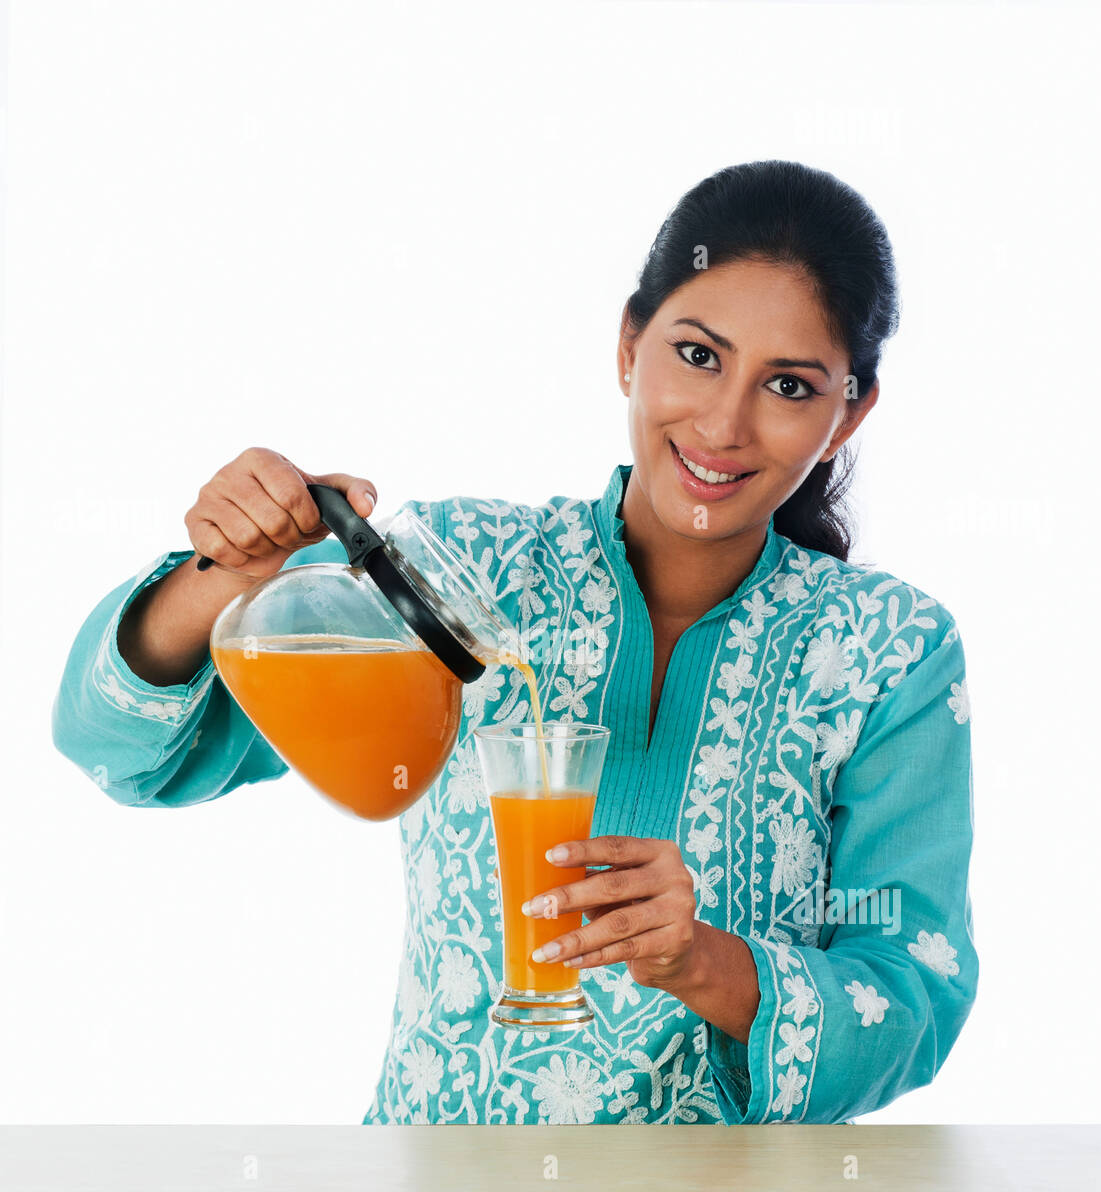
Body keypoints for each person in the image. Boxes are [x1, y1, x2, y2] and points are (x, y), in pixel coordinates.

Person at [53, 159, 977, 1125]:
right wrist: (235, 571)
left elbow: (912, 994)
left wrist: (699, 960)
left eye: (789, 385)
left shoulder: (889, 651)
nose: (722, 423)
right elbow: (118, 752)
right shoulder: (462, 575)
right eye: (697, 355)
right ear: (629, 344)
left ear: (847, 416)